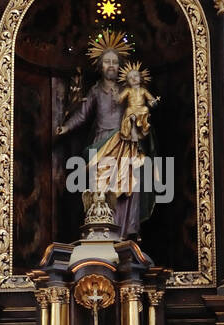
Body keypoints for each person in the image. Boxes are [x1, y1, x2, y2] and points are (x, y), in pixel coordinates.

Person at [56, 49, 155, 237]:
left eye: (115, 62)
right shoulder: (95, 90)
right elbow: (82, 115)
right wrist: (65, 128)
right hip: (101, 143)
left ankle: (125, 233)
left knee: (128, 186)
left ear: (120, 66)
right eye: (107, 62)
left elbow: (139, 108)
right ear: (100, 66)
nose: (111, 65)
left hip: (124, 142)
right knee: (99, 187)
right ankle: (101, 230)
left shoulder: (127, 89)